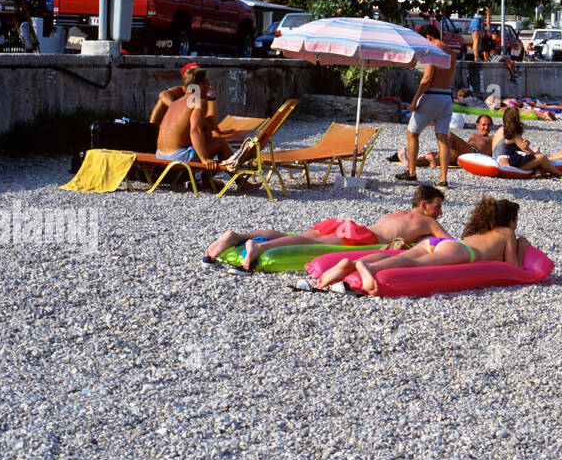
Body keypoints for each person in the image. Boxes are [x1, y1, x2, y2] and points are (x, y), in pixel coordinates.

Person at [317, 195, 531, 294]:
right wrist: (521, 246)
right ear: (511, 220)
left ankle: (353, 263)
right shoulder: (507, 233)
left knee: (399, 257)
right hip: (458, 251)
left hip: (438, 243)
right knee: (418, 265)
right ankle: (369, 268)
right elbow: (512, 269)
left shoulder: (481, 231)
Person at [203, 185, 448, 270]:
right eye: (437, 207)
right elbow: (449, 243)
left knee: (299, 235)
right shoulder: (427, 221)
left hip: (346, 225)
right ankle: (256, 246)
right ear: (424, 205)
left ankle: (237, 236)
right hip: (363, 237)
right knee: (309, 243)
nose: (440, 213)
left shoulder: (399, 213)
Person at [399, 24, 455, 187]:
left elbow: (427, 78)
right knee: (442, 138)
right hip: (446, 96)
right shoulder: (451, 52)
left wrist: (414, 101)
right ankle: (443, 179)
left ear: (428, 37)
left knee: (413, 133)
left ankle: (411, 173)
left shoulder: (432, 49)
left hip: (432, 95)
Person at [155, 65, 234, 177]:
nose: (209, 86)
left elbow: (206, 127)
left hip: (160, 155)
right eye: (207, 82)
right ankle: (241, 182)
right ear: (200, 86)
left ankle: (207, 181)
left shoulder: (176, 102)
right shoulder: (198, 101)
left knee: (206, 137)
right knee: (220, 143)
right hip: (177, 157)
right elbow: (195, 131)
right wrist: (204, 159)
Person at [493, 105, 562, 177]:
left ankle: (538, 173)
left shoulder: (500, 129)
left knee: (526, 157)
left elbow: (507, 147)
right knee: (541, 158)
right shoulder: (513, 133)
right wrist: (537, 153)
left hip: (496, 159)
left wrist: (526, 146)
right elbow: (528, 152)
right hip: (507, 164)